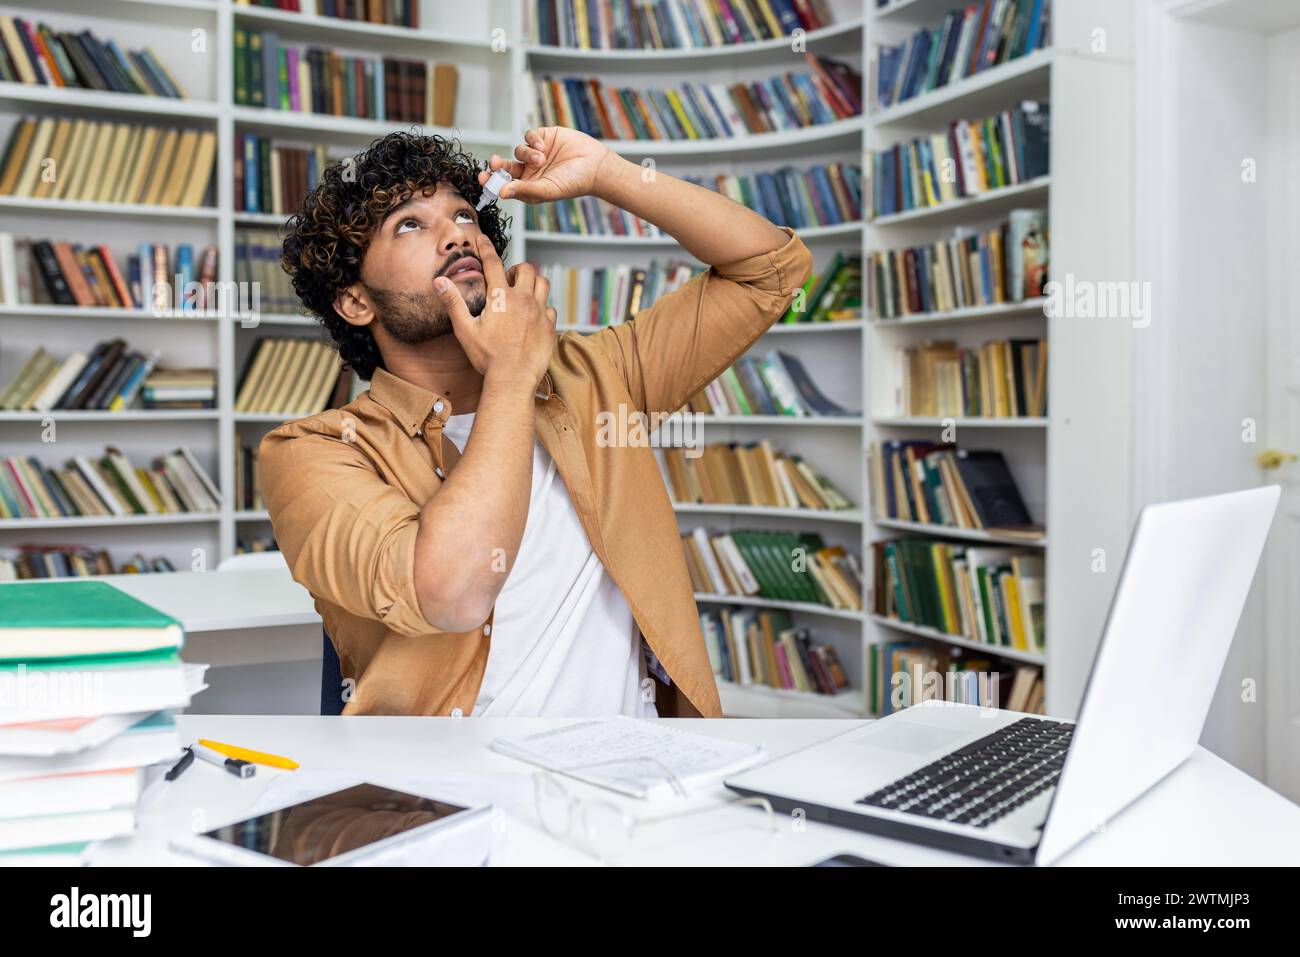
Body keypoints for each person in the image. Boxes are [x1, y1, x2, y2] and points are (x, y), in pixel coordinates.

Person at [261, 126, 813, 717]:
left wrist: (609, 173)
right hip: (453, 798)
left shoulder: (593, 376)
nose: (456, 234)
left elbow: (772, 269)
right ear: (356, 301)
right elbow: (454, 594)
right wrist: (510, 375)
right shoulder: (311, 453)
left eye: (465, 214)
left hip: (637, 779)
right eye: (411, 224)